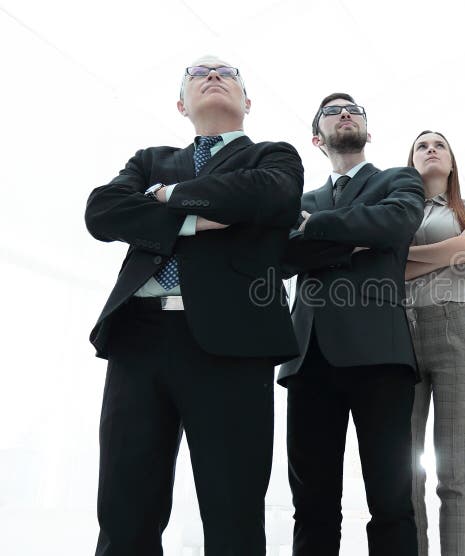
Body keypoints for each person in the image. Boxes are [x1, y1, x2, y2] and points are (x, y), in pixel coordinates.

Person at [84, 56, 303, 555]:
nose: (213, 76)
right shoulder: (149, 160)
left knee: (233, 511)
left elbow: (269, 196)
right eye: (198, 74)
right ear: (181, 104)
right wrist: (191, 219)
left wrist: (167, 198)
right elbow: (102, 210)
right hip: (136, 340)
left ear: (247, 102)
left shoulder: (275, 157)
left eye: (227, 73)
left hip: (232, 343)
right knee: (124, 508)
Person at [279, 93, 425, 556]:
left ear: (367, 129)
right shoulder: (297, 198)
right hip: (307, 358)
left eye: (354, 109)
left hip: (380, 354)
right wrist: (354, 239)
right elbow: (283, 256)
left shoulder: (399, 180)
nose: (345, 114)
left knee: (390, 500)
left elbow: (396, 223)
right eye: (332, 112)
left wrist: (317, 228)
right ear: (316, 137)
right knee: (313, 504)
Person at [404, 131, 465, 556]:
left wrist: (404, 261)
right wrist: (448, 254)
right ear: (411, 161)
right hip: (399, 332)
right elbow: (454, 253)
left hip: (456, 326)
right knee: (407, 471)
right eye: (422, 146)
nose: (431, 150)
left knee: (455, 472)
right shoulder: (397, 208)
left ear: (453, 161)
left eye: (439, 144)